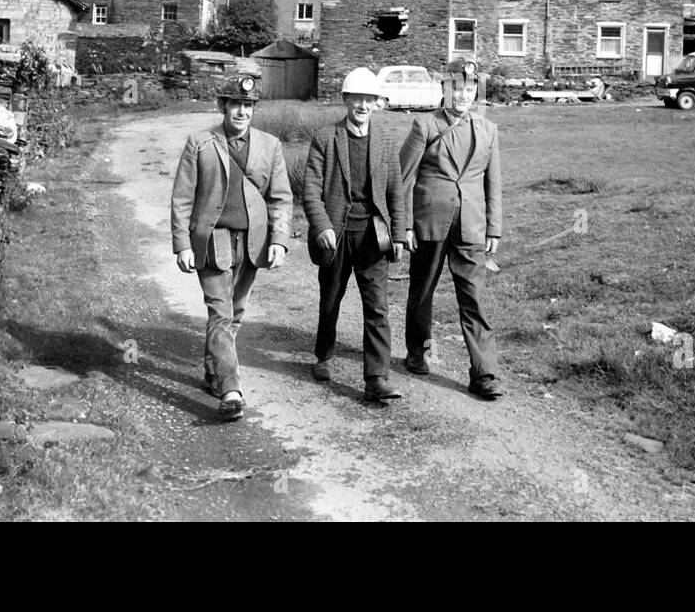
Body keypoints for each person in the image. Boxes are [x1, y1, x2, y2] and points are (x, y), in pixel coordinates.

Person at [170, 73, 292, 420]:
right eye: (235, 104)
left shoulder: (270, 145)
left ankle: (214, 373)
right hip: (213, 242)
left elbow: (281, 199)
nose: (241, 111)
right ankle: (231, 390)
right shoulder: (200, 143)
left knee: (236, 314)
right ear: (222, 106)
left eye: (248, 105)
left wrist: (280, 241)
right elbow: (182, 197)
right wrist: (182, 244)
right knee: (220, 313)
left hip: (252, 243)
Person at [400, 58, 504, 399]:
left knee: (473, 300)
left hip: (471, 226)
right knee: (422, 292)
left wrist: (494, 228)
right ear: (444, 88)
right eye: (456, 88)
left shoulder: (488, 130)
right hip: (429, 222)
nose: (462, 95)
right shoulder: (425, 125)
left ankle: (483, 372)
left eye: (469, 88)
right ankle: (417, 352)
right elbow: (404, 179)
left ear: (477, 90)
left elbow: (493, 184)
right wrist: (405, 227)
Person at [302, 67, 406, 403]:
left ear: (377, 103)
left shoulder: (387, 139)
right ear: (346, 100)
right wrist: (322, 226)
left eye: (369, 99)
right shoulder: (325, 138)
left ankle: (377, 378)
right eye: (356, 98)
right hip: (336, 233)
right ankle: (324, 355)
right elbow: (311, 190)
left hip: (373, 235)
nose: (362, 105)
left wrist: (400, 235)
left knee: (377, 306)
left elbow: (396, 190)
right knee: (331, 298)